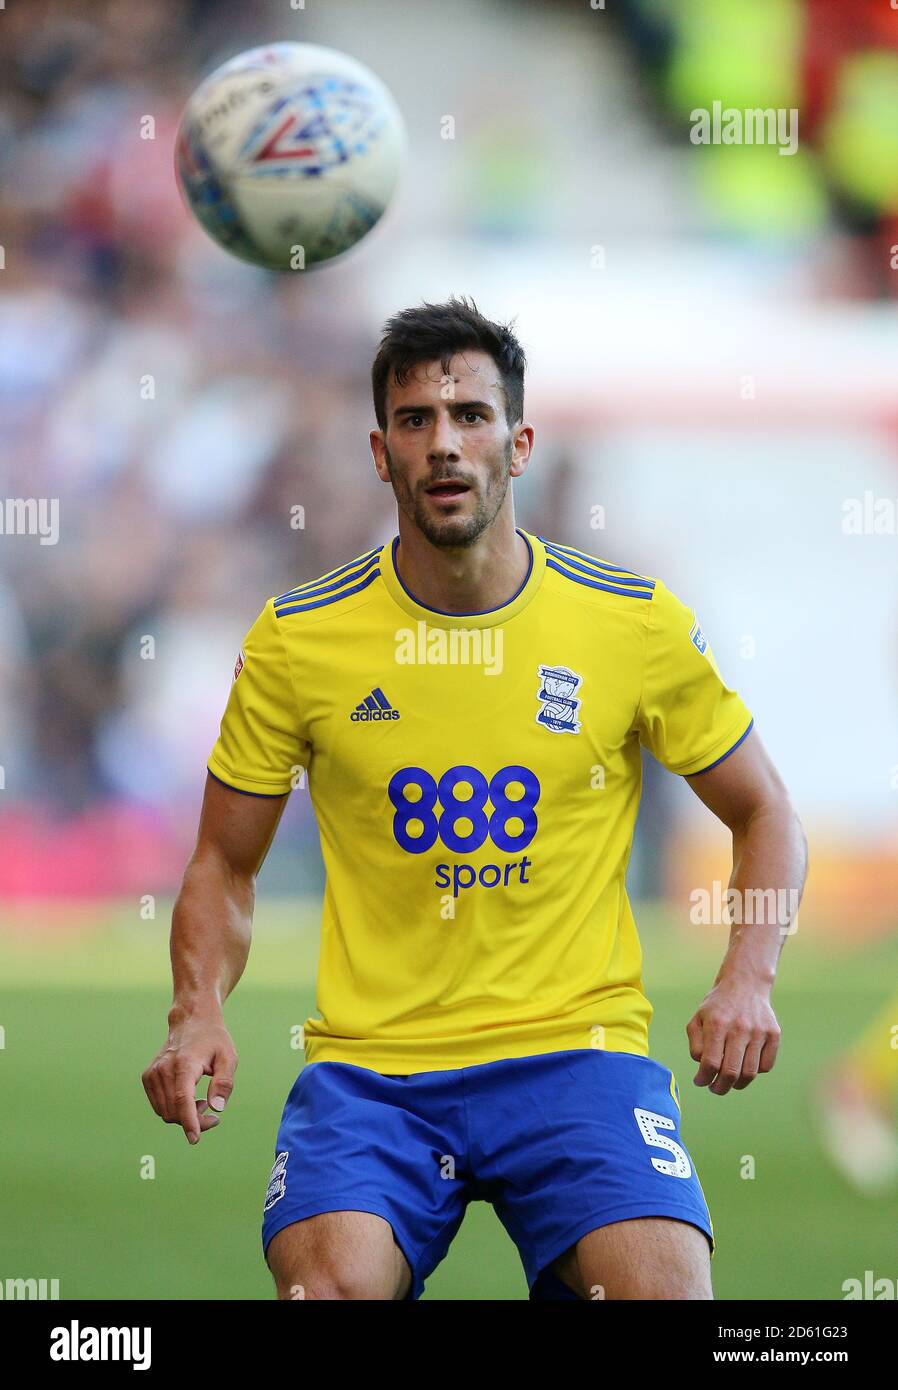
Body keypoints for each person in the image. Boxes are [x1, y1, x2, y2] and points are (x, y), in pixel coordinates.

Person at [142, 296, 808, 1300]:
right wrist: (197, 1012)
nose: (444, 444)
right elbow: (222, 864)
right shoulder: (296, 639)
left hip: (575, 1056)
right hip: (375, 1074)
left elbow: (764, 811)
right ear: (380, 452)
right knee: (328, 1291)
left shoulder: (628, 622)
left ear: (519, 440)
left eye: (470, 417)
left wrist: (747, 975)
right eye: (415, 421)